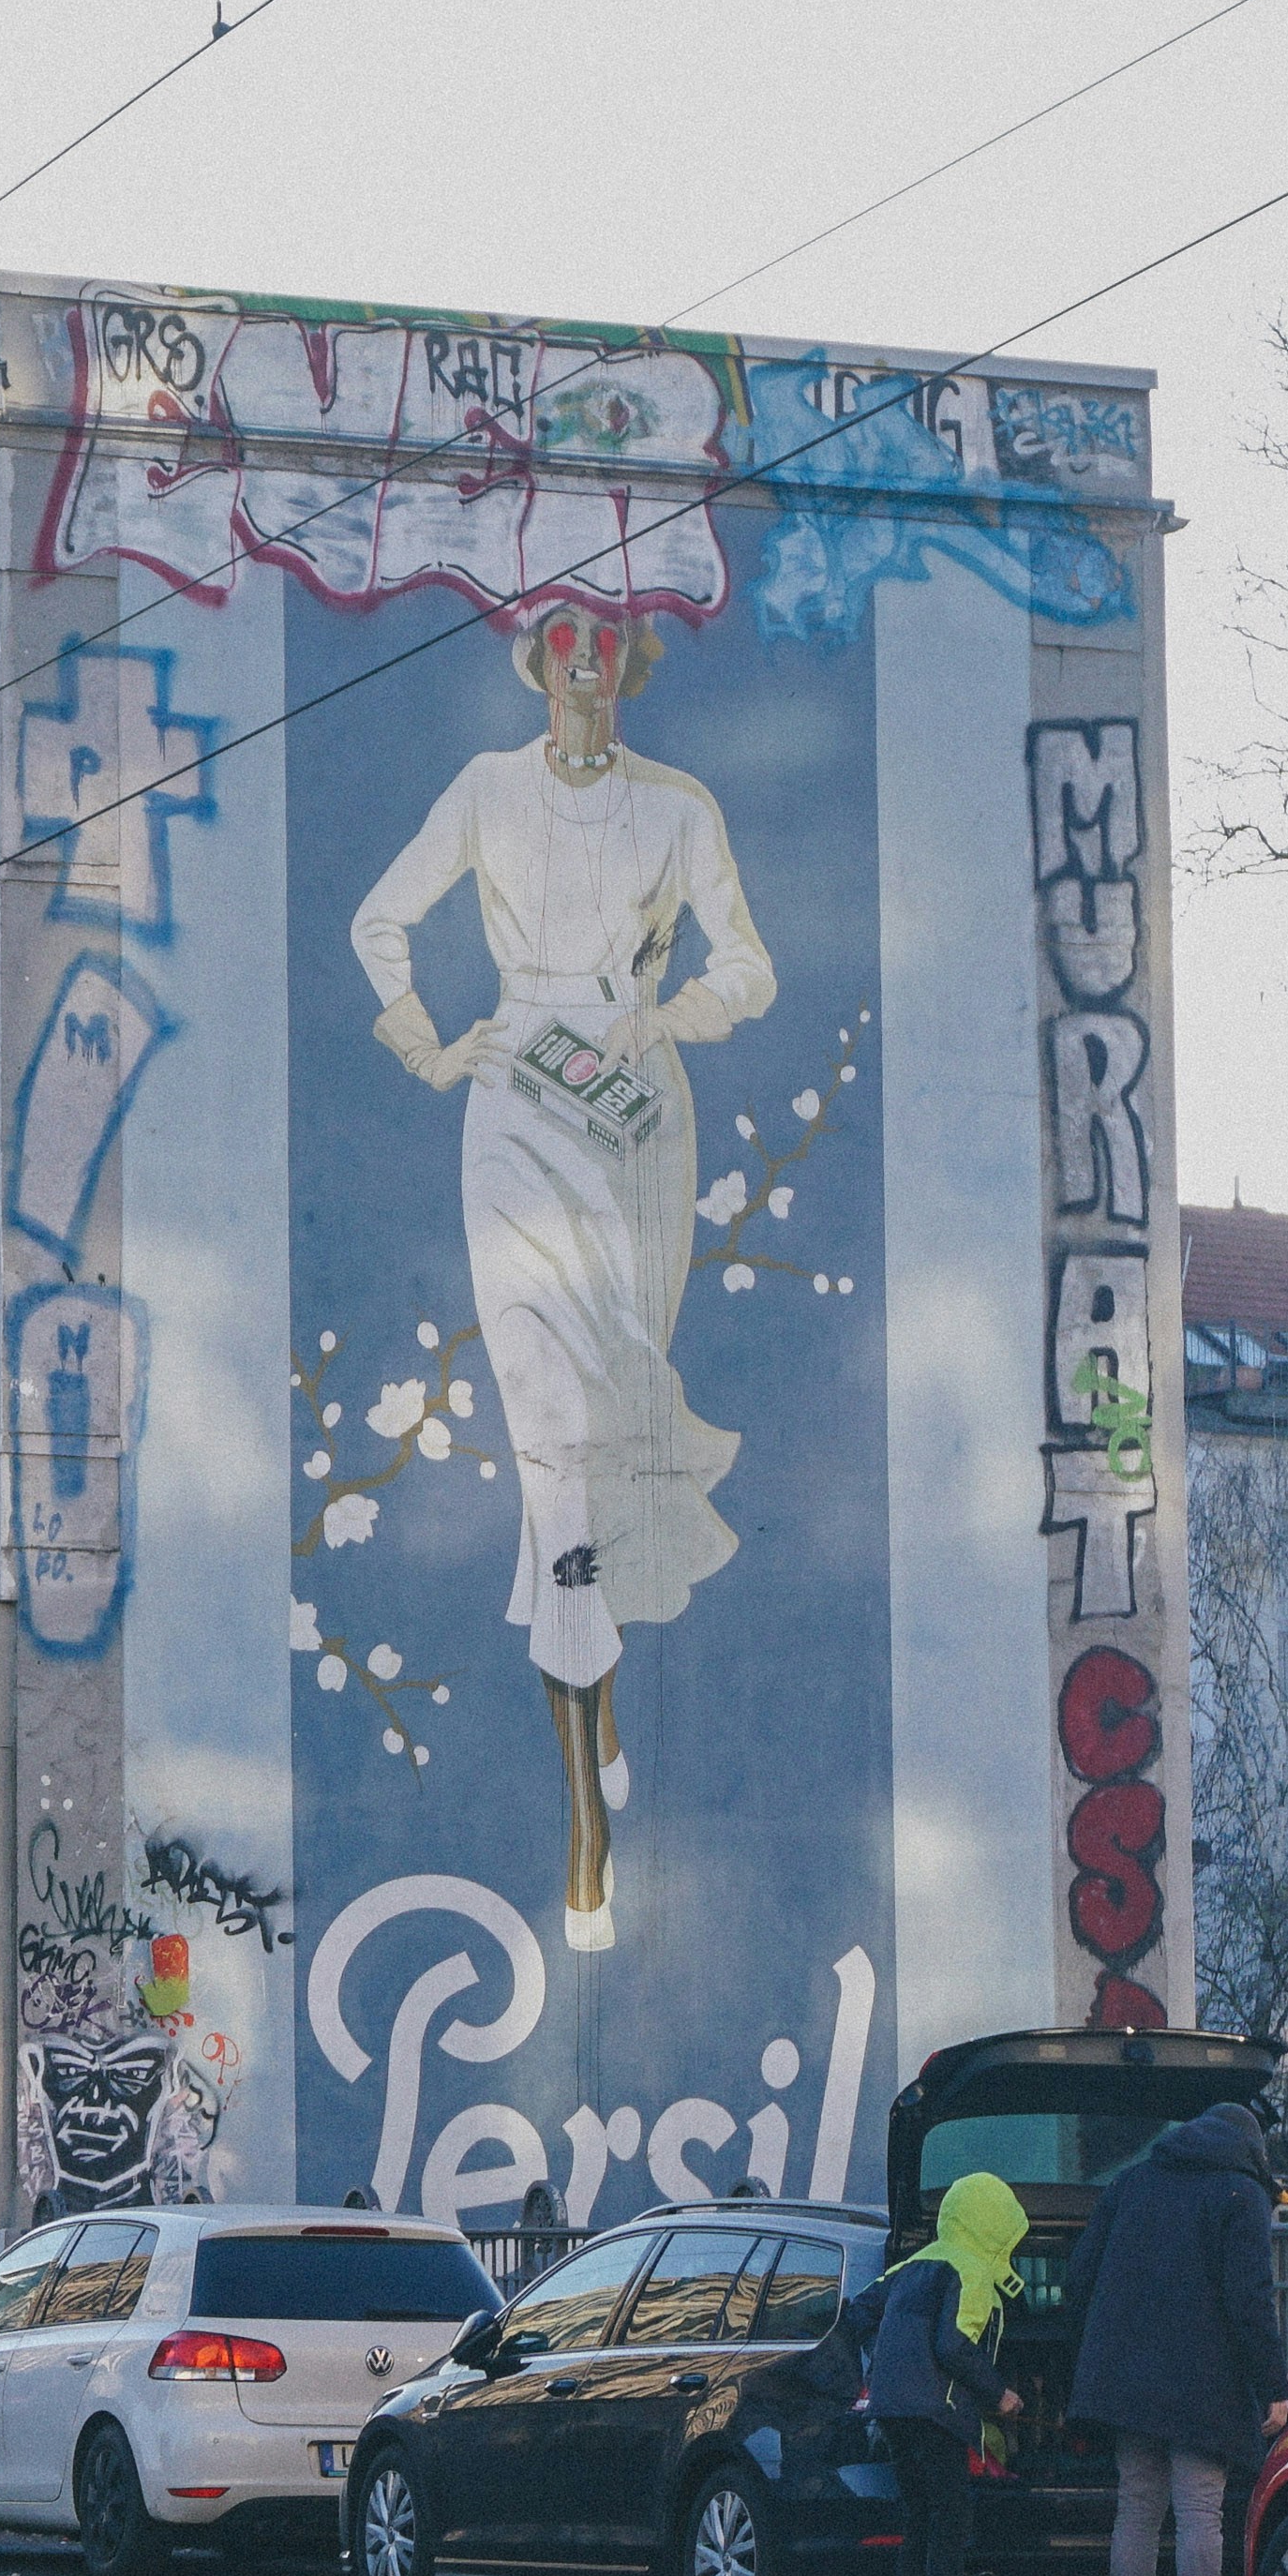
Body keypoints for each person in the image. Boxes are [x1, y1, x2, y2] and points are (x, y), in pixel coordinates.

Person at [345, 602, 777, 1954]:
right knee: (548, 1441)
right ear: (534, 664)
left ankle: (597, 1703)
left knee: (611, 1437)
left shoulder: (681, 809)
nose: (585, 665)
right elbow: (380, 923)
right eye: (562, 644)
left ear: (633, 668)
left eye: (609, 646)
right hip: (517, 1118)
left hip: (637, 1125)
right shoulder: (482, 792)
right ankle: (585, 1813)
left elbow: (750, 963)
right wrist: (431, 1047)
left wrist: (669, 1018)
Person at [1071, 2104, 1288, 2576]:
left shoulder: (1131, 2181)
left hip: (1125, 2377)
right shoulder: (1240, 2194)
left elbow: (1080, 2276)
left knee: (1136, 2510)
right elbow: (1252, 2300)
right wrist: (1274, 2385)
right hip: (1201, 2381)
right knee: (1200, 2512)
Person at [863, 2169, 1031, 2576]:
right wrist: (998, 2394)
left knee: (917, 2526)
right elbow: (954, 2344)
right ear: (994, 2226)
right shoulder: (972, 2269)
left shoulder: (913, 2264)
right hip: (936, 2412)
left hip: (892, 2409)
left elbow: (861, 2311)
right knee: (948, 2528)